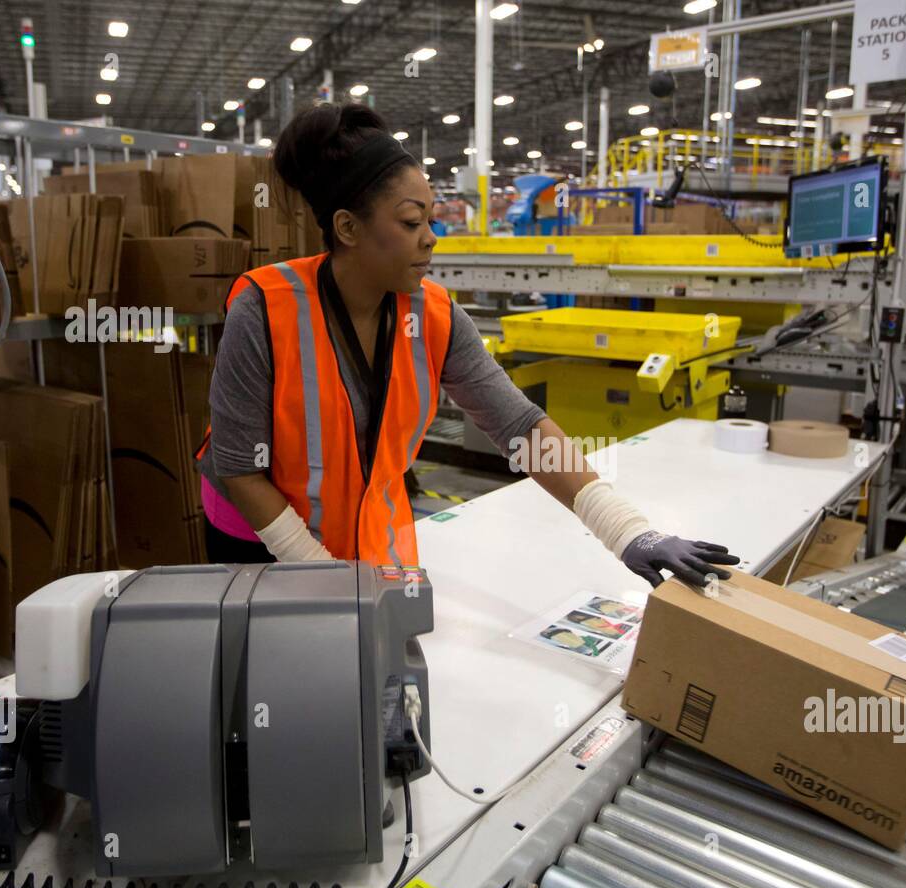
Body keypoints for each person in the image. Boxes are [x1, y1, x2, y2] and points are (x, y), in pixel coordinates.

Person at [195, 104, 738, 589]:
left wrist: (626, 529)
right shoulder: (264, 309)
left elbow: (518, 427)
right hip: (260, 542)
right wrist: (319, 575)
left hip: (362, 538)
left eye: (430, 218)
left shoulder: (432, 315)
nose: (431, 237)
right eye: (411, 222)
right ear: (347, 228)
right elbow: (240, 468)